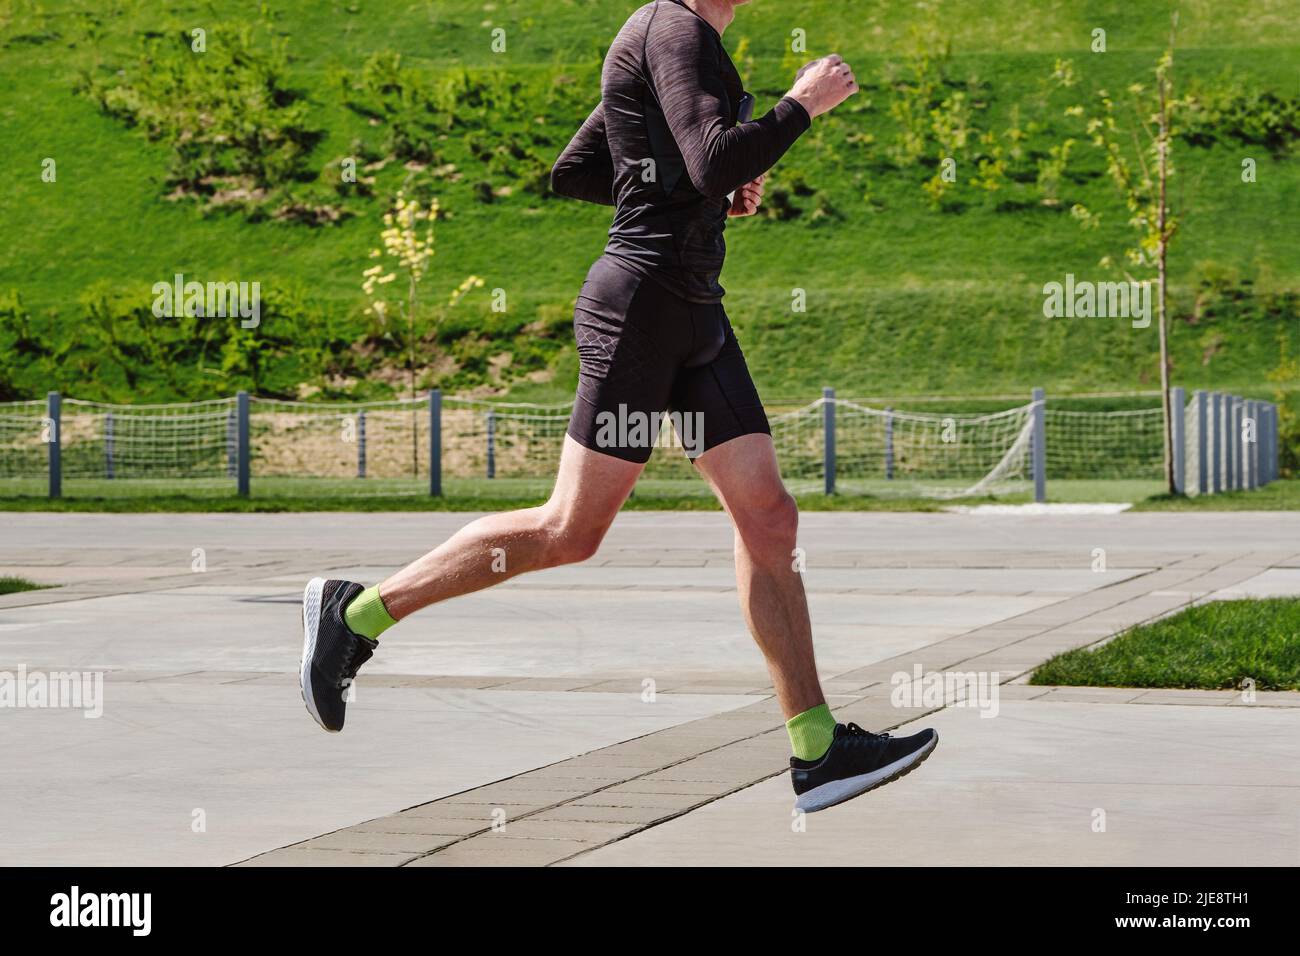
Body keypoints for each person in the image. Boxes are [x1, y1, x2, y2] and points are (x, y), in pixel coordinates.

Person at [301, 0, 936, 813]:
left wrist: (705, 193)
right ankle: (353, 614)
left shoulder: (670, 38)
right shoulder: (674, 29)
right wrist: (799, 107)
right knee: (571, 530)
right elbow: (707, 160)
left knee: (769, 517)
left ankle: (816, 749)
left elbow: (586, 169)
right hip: (639, 312)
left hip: (694, 311)